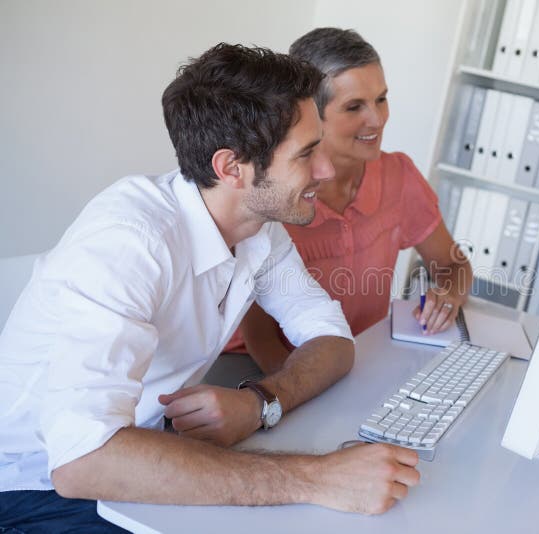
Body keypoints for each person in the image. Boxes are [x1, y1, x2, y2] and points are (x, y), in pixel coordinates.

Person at [0, 43, 419, 531]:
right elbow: (81, 462)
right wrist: (316, 478)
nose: (325, 171)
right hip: (31, 487)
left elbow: (331, 338)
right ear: (231, 168)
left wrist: (260, 402)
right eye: (307, 154)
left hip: (136, 450)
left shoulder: (259, 229)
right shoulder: (129, 242)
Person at [226, 28, 472, 372]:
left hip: (356, 357)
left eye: (381, 99)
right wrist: (304, 391)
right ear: (309, 114)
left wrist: (448, 295)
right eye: (354, 107)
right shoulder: (276, 194)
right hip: (262, 365)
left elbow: (453, 264)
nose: (378, 119)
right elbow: (261, 341)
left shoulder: (399, 176)